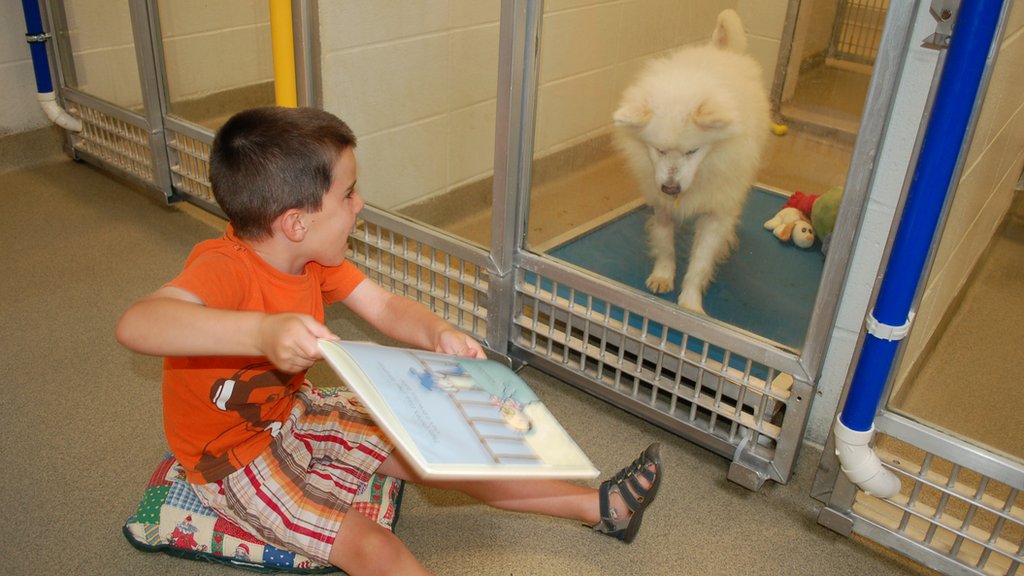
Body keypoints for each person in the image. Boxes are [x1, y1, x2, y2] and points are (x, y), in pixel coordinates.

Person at [116, 106, 662, 576]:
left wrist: (438, 333)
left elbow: (383, 306)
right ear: (296, 223)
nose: (359, 205)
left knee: (446, 449)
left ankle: (602, 508)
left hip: (294, 412)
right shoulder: (223, 268)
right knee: (377, 550)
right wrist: (261, 330)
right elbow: (139, 323)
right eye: (348, 194)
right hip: (234, 462)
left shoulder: (309, 260)